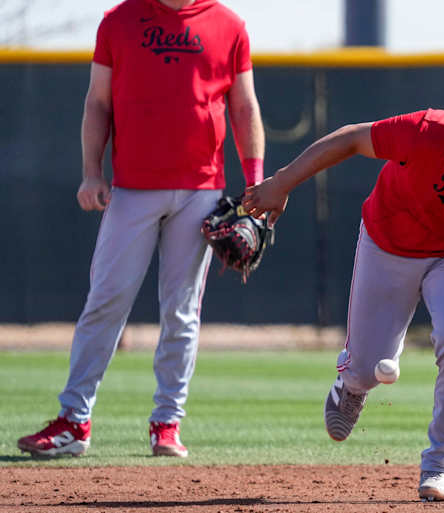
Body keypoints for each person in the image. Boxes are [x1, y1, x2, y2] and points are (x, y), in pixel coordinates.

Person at [242, 74, 444, 501]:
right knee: (369, 367)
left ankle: (441, 466)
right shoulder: (430, 132)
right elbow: (351, 139)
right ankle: (352, 384)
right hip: (390, 243)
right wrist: (282, 183)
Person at [17, 0, 264, 458]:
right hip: (132, 188)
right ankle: (74, 420)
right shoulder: (119, 21)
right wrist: (92, 172)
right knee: (106, 300)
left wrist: (255, 181)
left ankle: (167, 423)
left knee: (182, 310)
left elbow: (244, 106)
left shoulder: (229, 25)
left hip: (200, 191)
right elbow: (97, 102)